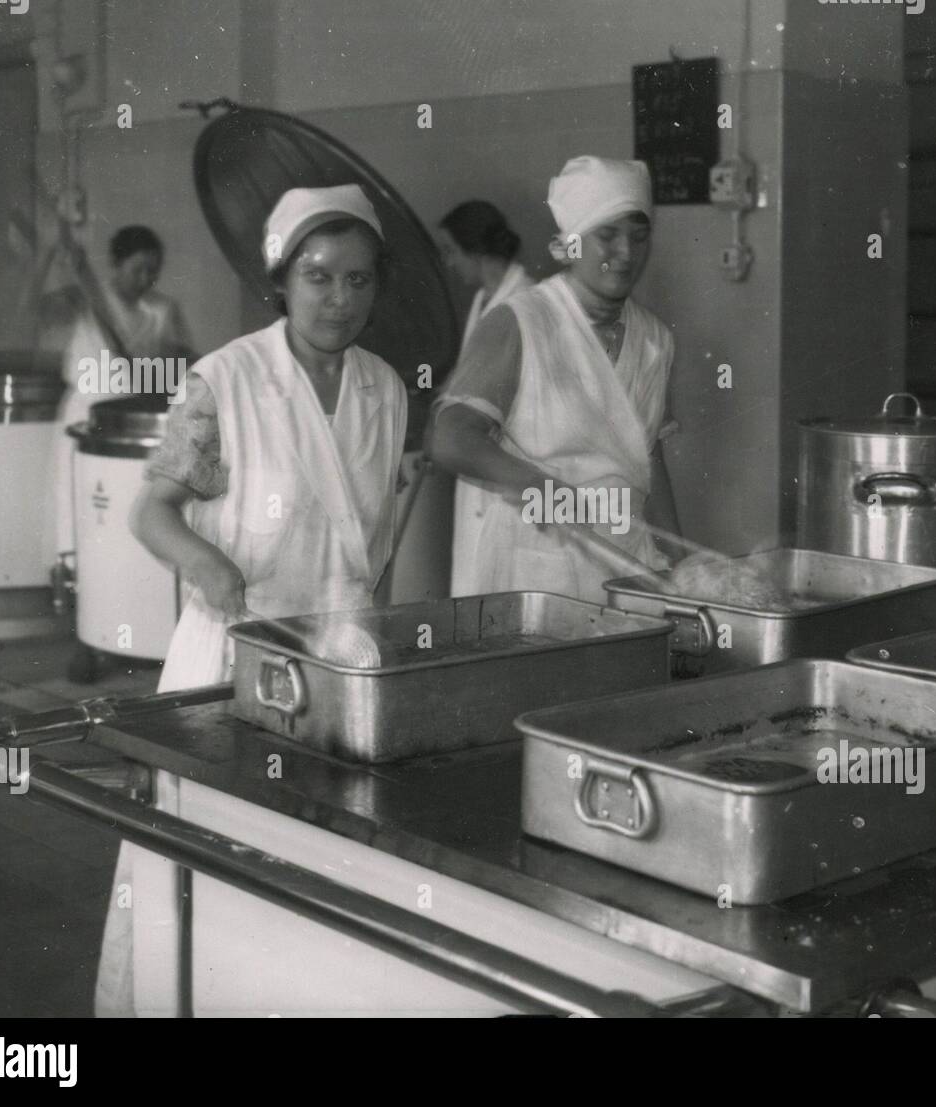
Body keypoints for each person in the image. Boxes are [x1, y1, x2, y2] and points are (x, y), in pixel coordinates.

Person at [94, 184, 406, 1015]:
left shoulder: (387, 392)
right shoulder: (224, 382)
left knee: (312, 889)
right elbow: (151, 510)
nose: (340, 299)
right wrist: (206, 561)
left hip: (336, 671)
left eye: (359, 280)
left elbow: (373, 554)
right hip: (227, 667)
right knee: (199, 878)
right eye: (319, 276)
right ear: (282, 279)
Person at [427, 156, 680, 603]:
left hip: (626, 560)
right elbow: (450, 437)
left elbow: (647, 454)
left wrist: (681, 564)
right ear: (573, 242)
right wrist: (535, 485)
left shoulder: (654, 338)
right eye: (607, 235)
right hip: (537, 568)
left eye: (639, 237)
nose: (626, 252)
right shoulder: (523, 321)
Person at [51, 225, 194, 559]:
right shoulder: (89, 300)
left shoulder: (161, 309)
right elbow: (42, 310)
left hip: (133, 422)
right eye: (137, 270)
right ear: (116, 264)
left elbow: (181, 358)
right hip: (87, 414)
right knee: (83, 507)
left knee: (127, 507)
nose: (145, 279)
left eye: (152, 271)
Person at [433, 200, 533, 596]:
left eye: (451, 252)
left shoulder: (525, 303)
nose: (449, 263)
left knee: (499, 602)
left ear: (476, 251)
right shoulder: (483, 301)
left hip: (507, 474)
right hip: (475, 477)